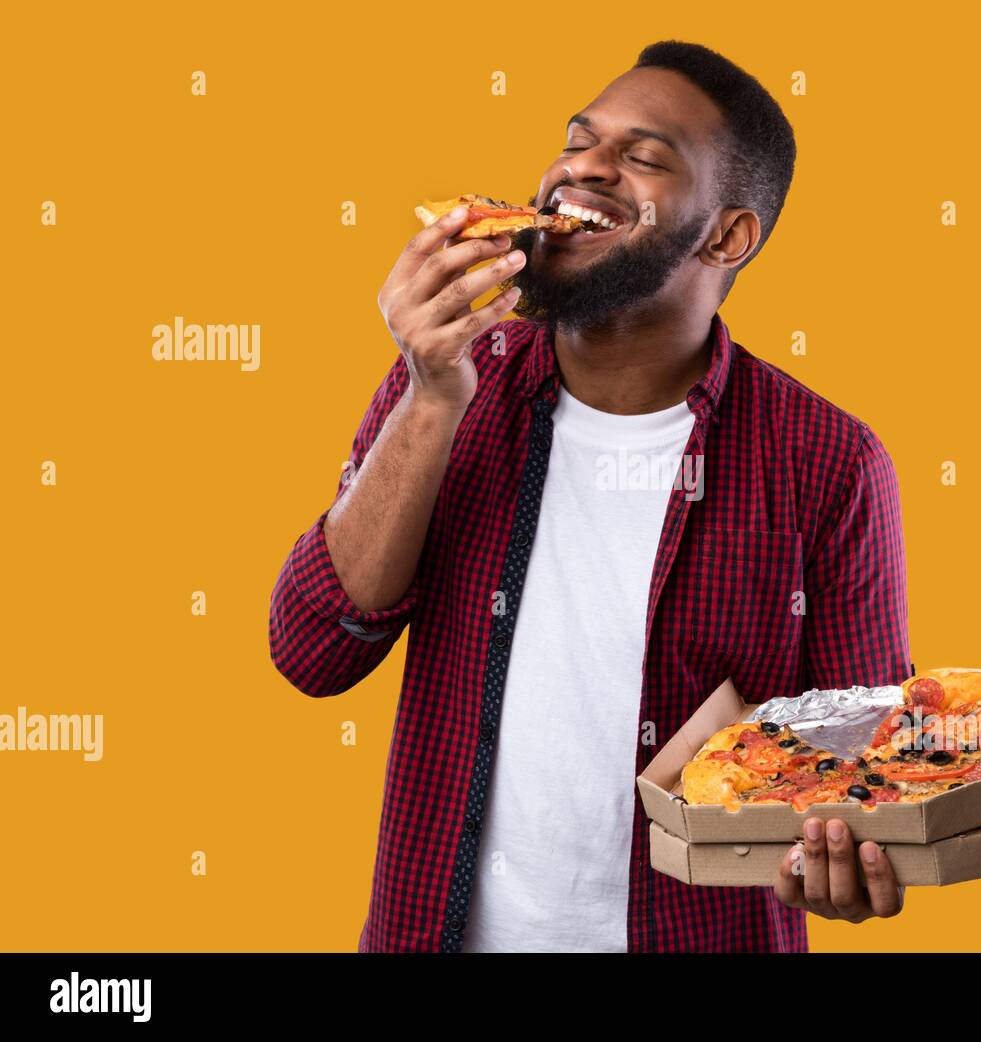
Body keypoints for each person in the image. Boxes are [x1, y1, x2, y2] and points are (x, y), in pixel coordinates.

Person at [269, 40, 909, 953]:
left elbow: (859, 782)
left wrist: (842, 854)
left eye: (643, 158)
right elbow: (310, 653)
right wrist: (431, 396)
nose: (582, 169)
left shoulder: (828, 463)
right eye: (578, 140)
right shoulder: (455, 379)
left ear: (727, 236)